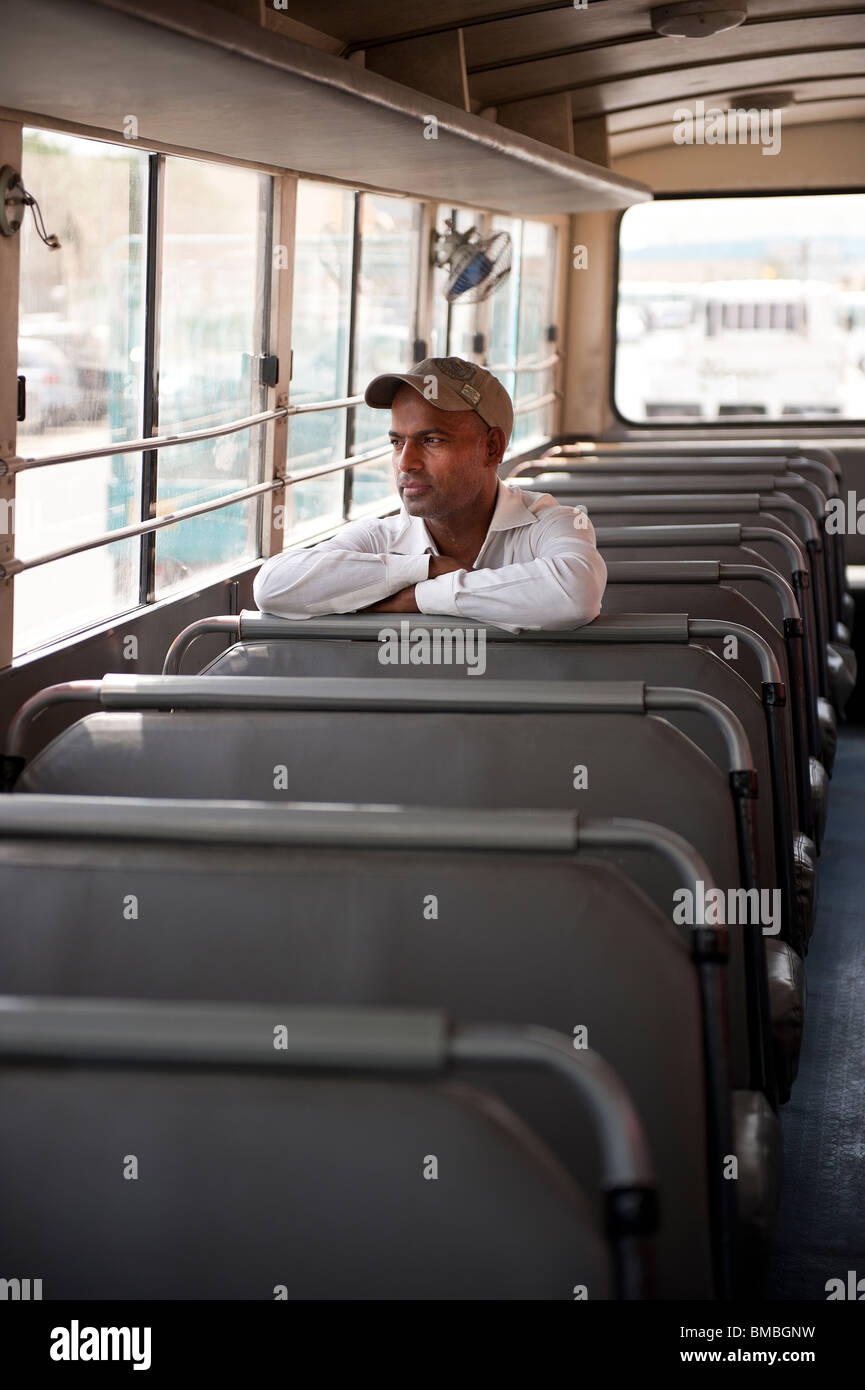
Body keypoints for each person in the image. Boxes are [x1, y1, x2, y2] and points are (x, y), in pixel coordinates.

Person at [253, 356, 606, 632]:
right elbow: (272, 585)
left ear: (492, 448)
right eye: (396, 442)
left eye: (432, 440)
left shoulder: (551, 523)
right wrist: (428, 567)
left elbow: (575, 594)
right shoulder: (382, 537)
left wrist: (420, 596)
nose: (406, 463)